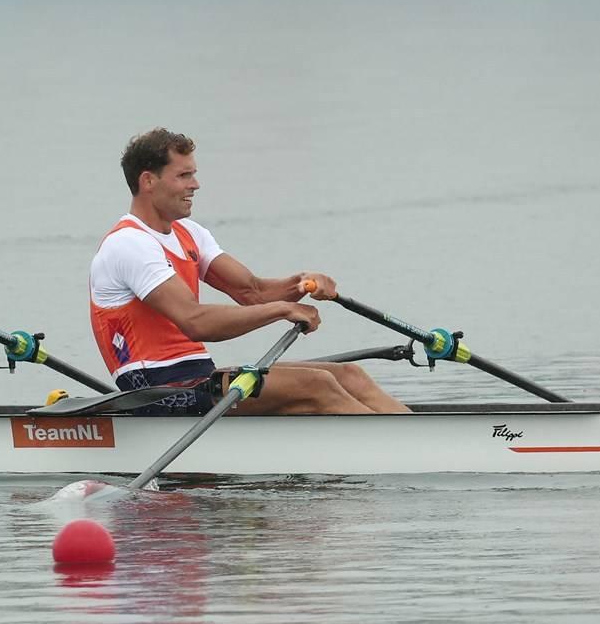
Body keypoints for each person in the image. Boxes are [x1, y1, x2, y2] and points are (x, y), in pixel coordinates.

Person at [88, 128, 409, 416]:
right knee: (317, 385)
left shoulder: (189, 233)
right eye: (184, 176)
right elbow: (195, 321)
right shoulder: (129, 244)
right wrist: (282, 309)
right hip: (155, 391)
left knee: (350, 375)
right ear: (148, 181)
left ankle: (416, 441)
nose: (195, 185)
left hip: (197, 377)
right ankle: (397, 449)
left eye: (193, 174)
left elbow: (251, 291)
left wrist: (303, 284)